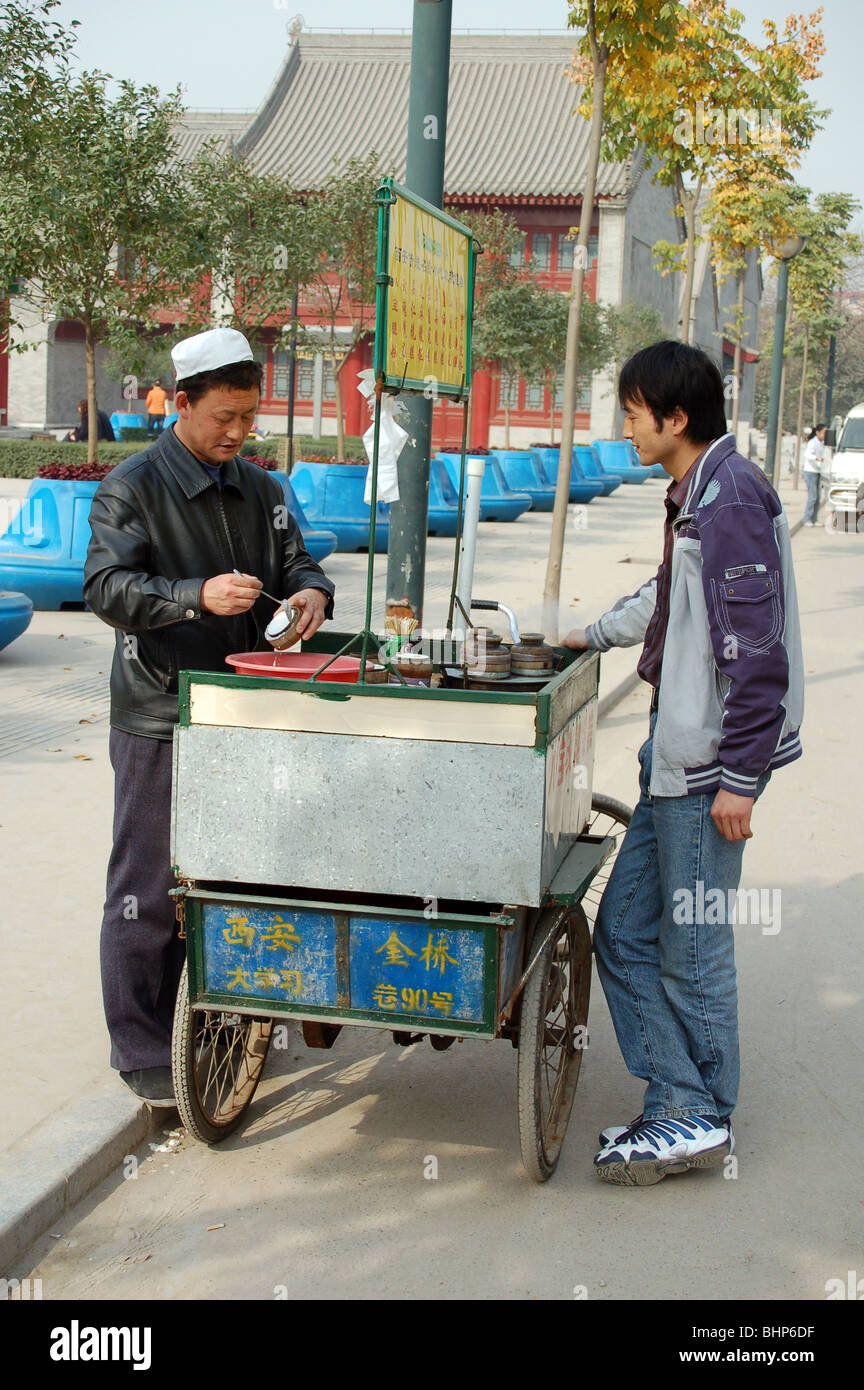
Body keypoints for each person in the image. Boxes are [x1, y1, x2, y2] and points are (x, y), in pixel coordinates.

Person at [563, 340, 804, 1187]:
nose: (625, 426)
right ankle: (684, 1101)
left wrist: (741, 777)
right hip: (678, 756)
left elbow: (758, 653)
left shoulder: (729, 497)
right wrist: (581, 634)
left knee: (691, 948)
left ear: (674, 417)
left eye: (633, 412)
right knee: (625, 933)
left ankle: (698, 1116)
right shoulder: (696, 493)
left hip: (706, 769)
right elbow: (669, 607)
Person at [84, 327, 336, 1107]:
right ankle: (140, 1044)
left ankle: (225, 1017)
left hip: (249, 707)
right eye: (223, 415)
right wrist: (193, 595)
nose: (236, 432)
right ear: (181, 404)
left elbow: (299, 562)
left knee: (240, 869)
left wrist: (310, 596)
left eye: (248, 416)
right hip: (165, 709)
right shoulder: (130, 488)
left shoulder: (262, 489)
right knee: (148, 884)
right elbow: (106, 590)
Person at [802, 423, 826, 526]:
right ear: (818, 432)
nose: (825, 434)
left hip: (818, 471)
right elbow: (807, 454)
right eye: (824, 432)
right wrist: (816, 458)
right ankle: (806, 519)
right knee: (812, 496)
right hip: (810, 471)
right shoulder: (812, 442)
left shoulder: (823, 443)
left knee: (818, 497)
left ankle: (814, 519)